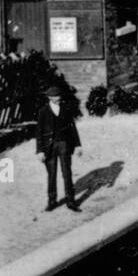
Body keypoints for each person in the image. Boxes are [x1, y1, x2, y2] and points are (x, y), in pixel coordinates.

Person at [36, 84, 82, 212]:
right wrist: (39, 151)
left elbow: (72, 128)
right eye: (55, 97)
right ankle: (52, 201)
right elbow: (39, 132)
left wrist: (78, 145)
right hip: (48, 147)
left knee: (67, 172)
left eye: (59, 96)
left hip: (64, 144)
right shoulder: (43, 111)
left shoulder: (66, 109)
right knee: (51, 174)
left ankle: (71, 201)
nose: (58, 99)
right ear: (49, 98)